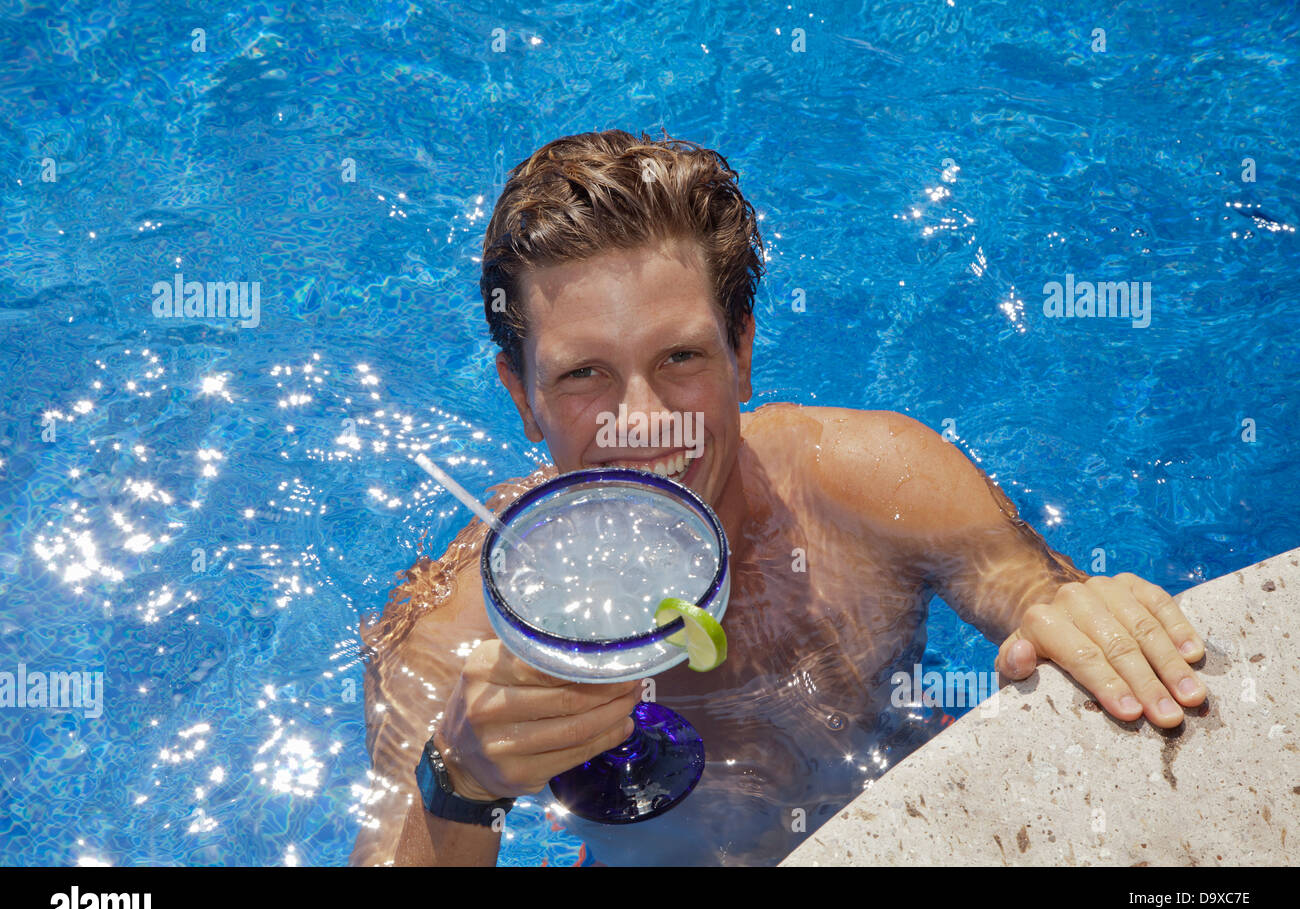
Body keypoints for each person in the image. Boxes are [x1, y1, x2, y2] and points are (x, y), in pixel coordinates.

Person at [350, 129, 1207, 867]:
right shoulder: (461, 634)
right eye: (584, 374)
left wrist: (1081, 616)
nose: (642, 422)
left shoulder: (876, 484)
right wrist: (461, 784)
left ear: (743, 354)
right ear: (522, 396)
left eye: (680, 358)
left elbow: (1041, 602)